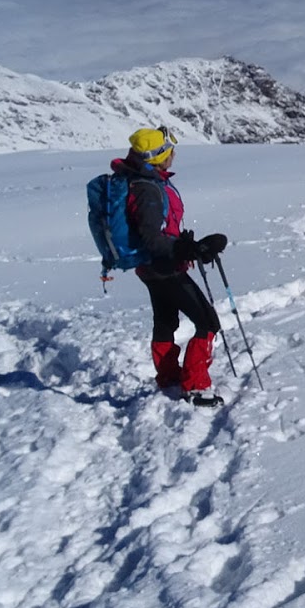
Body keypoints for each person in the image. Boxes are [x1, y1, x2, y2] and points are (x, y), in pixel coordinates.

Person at [113, 127, 229, 404]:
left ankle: (168, 377)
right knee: (207, 321)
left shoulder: (142, 181)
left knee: (165, 320)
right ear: (157, 157)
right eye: (169, 150)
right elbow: (151, 237)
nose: (174, 153)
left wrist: (183, 244)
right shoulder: (147, 189)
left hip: (150, 267)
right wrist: (186, 249)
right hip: (163, 267)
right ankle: (195, 386)